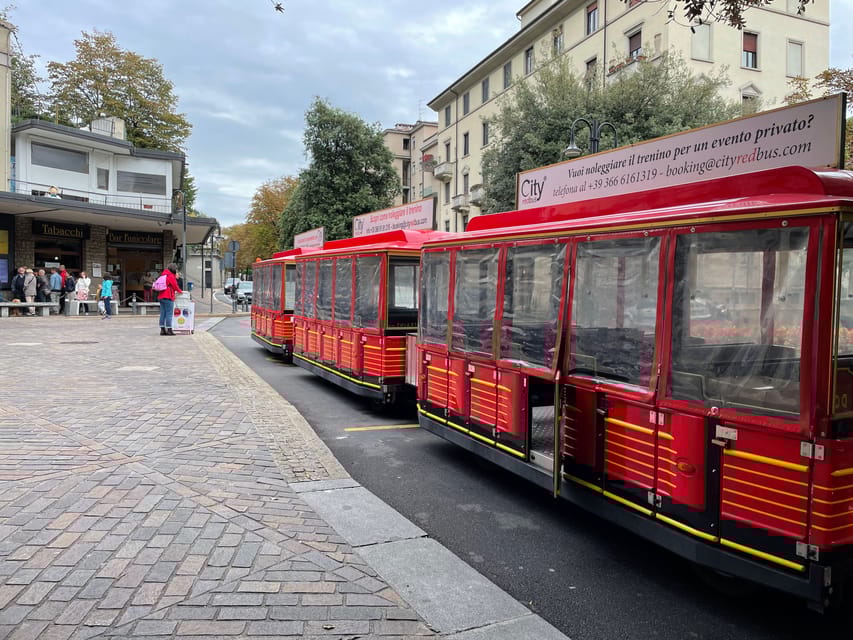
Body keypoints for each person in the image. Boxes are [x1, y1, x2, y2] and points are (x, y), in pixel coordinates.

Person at [157, 263, 183, 336]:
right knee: (169, 313)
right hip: (168, 295)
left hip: (161, 296)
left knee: (163, 313)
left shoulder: (163, 274)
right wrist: (180, 291)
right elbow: (175, 286)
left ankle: (162, 329)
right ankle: (169, 329)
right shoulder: (171, 276)